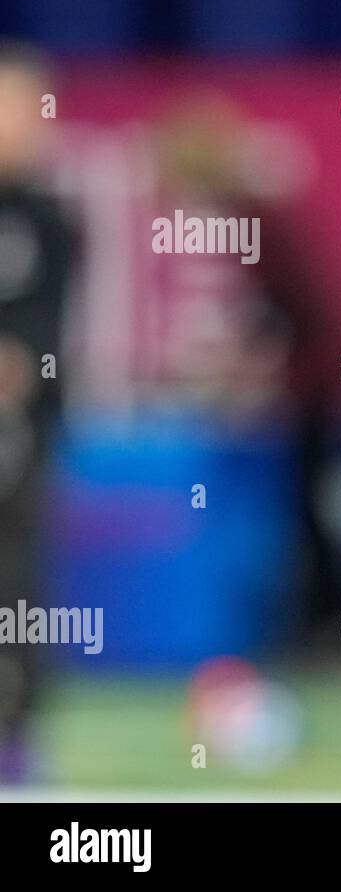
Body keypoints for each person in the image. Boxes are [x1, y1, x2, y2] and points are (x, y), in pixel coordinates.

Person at [0, 41, 78, 783]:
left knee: (19, 579)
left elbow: (56, 327)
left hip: (24, 434)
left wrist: (25, 367)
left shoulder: (51, 218)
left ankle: (17, 733)